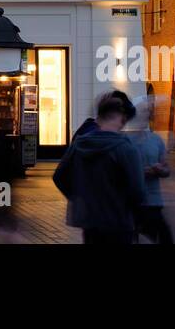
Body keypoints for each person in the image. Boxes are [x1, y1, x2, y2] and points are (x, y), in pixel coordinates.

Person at [53, 93, 145, 245]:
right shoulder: (126, 148)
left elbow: (59, 177)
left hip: (90, 223)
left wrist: (80, 197)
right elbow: (138, 192)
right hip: (119, 223)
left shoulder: (79, 144)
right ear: (121, 117)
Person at [126, 103, 173, 244]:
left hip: (154, 202)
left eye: (147, 112)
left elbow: (166, 170)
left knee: (163, 238)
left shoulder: (156, 140)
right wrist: (142, 172)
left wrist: (160, 170)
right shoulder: (126, 140)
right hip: (132, 203)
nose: (145, 115)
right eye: (142, 111)